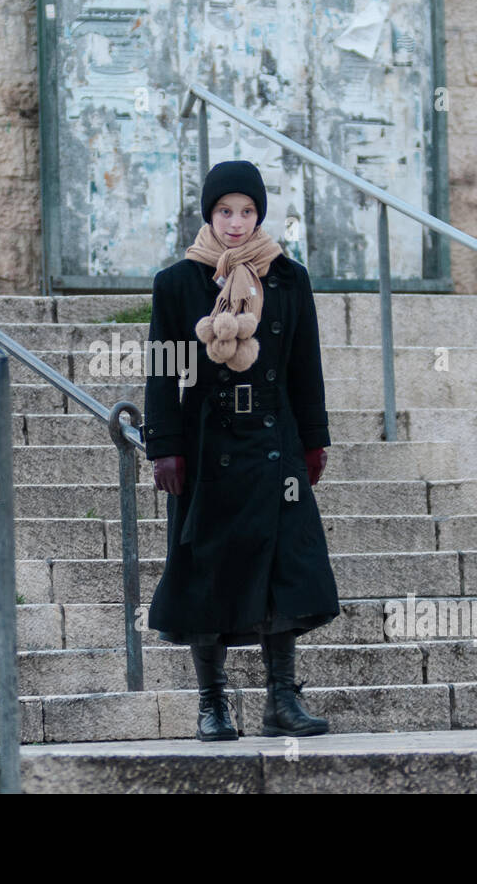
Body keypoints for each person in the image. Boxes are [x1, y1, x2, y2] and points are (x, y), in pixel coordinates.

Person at [143, 160, 338, 742]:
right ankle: (213, 704)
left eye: (247, 211)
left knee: (284, 566)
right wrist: (165, 446)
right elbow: (162, 371)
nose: (235, 222)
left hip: (274, 441)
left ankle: (282, 699)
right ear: (209, 213)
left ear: (260, 215)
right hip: (208, 444)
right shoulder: (178, 282)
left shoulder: (288, 278)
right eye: (225, 211)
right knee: (207, 570)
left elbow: (306, 365)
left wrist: (314, 437)